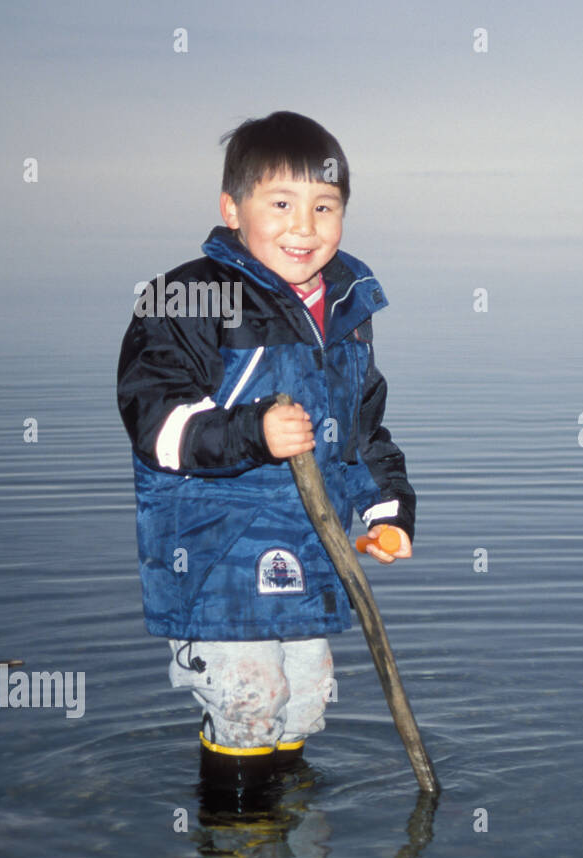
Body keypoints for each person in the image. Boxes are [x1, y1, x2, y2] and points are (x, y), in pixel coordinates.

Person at [117, 111, 415, 811]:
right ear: (232, 209)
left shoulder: (345, 306)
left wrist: (386, 512)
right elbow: (152, 420)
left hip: (311, 553)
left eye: (324, 206)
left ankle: (285, 818)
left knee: (305, 700)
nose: (303, 226)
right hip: (216, 558)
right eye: (280, 204)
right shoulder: (185, 298)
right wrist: (252, 430)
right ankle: (237, 828)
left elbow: (362, 428)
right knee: (249, 700)